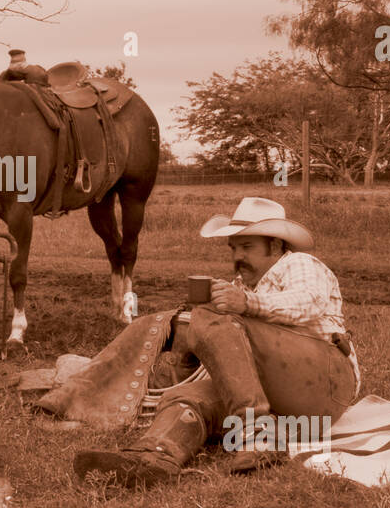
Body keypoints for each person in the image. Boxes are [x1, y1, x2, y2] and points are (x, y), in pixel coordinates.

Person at [73, 196, 360, 487]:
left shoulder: (298, 263)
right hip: (287, 407)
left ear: (274, 246)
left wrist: (245, 303)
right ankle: (154, 458)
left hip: (325, 382)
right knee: (185, 399)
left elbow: (308, 301)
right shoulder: (242, 287)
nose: (237, 256)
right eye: (234, 248)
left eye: (247, 247)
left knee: (211, 315)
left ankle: (257, 430)